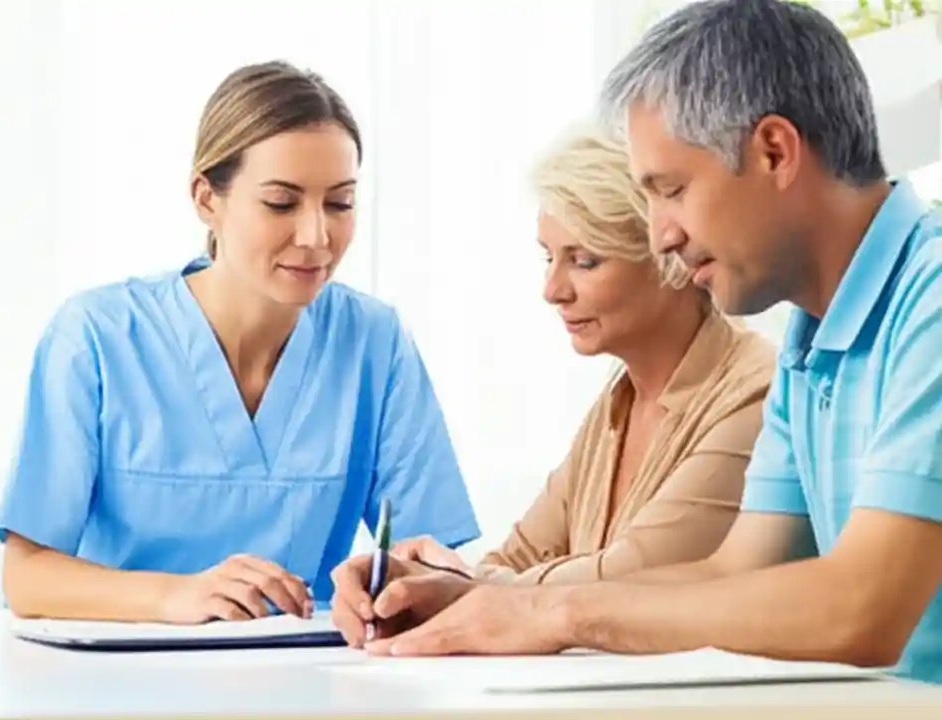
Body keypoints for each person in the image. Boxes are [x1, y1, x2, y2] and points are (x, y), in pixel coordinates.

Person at [330, 0, 942, 684]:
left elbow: (862, 608)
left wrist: (557, 617)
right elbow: (733, 571)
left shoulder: (933, 303)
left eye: (672, 190)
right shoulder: (812, 341)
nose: (660, 237)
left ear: (775, 151)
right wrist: (487, 599)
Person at [0, 60, 479, 624]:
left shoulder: (375, 343)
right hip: (124, 684)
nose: (316, 236)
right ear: (207, 199)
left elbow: (428, 557)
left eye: (340, 203)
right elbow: (26, 576)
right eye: (281, 203)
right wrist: (174, 596)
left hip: (306, 685)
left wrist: (411, 581)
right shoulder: (96, 337)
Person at [390, 128, 774, 587]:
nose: (552, 291)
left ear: (669, 254)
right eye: (548, 258)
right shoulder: (618, 404)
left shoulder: (755, 394)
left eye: (585, 261)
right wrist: (417, 581)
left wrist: (460, 587)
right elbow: (517, 558)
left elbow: (627, 578)